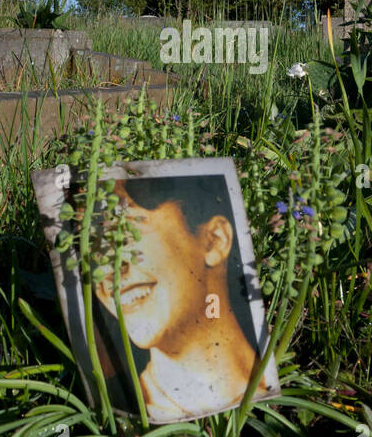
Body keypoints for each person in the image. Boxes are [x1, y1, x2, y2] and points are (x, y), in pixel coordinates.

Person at [92, 176, 272, 421]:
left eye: (126, 230)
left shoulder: (271, 388)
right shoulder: (118, 412)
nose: (108, 270)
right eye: (92, 246)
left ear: (214, 241)